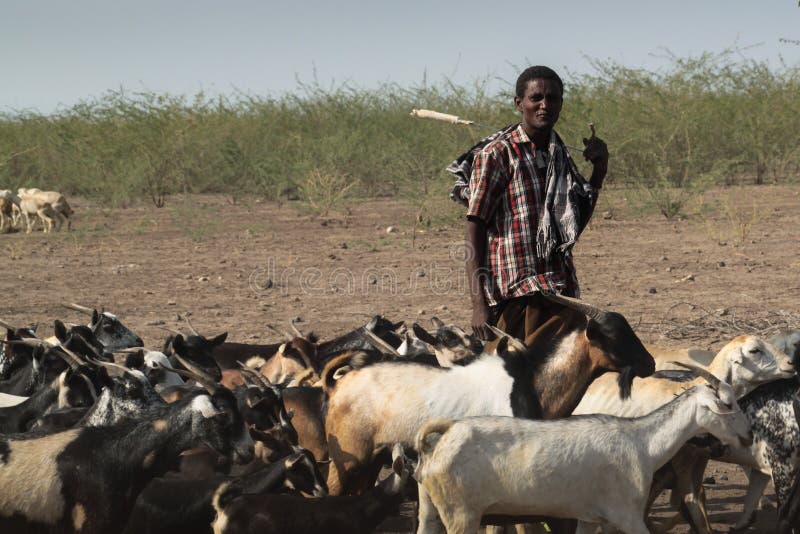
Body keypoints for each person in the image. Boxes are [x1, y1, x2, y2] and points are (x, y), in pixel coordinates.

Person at [457, 65, 609, 350]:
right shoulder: (497, 155)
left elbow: (571, 229)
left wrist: (599, 171)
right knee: (511, 385)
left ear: (561, 104)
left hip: (560, 291)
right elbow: (474, 226)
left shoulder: (559, 153)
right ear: (519, 103)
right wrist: (478, 303)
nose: (544, 105)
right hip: (514, 295)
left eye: (552, 99)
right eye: (535, 98)